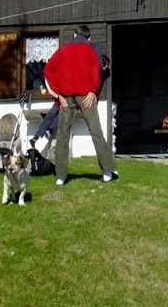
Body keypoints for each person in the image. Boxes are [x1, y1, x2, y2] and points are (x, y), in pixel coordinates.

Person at [45, 25, 118, 186]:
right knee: (96, 131)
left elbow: (48, 70)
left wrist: (57, 94)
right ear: (89, 37)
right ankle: (107, 171)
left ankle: (61, 176)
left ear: (74, 34)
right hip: (86, 95)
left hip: (66, 96)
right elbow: (97, 70)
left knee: (63, 134)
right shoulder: (91, 49)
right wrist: (93, 91)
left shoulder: (62, 50)